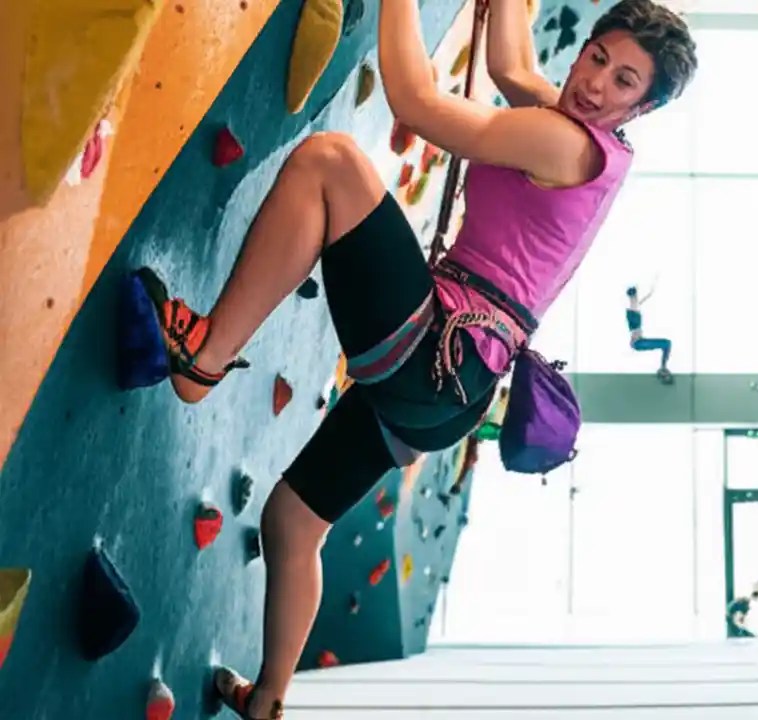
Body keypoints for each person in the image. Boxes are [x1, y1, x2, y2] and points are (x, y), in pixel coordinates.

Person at [123, 0, 696, 716]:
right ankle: (268, 700)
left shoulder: (565, 142)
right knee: (293, 524)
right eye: (597, 57)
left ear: (642, 108)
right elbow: (511, 66)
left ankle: (203, 359)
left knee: (329, 163)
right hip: (452, 392)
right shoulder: (591, 143)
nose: (596, 82)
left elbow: (416, 104)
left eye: (623, 82)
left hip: (436, 358)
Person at [625, 284, 673, 383]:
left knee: (667, 343)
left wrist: (652, 290)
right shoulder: (631, 310)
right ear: (631, 297)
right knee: (666, 344)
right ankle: (663, 369)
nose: (636, 298)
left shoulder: (635, 306)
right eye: (634, 297)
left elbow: (645, 298)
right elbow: (633, 326)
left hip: (641, 341)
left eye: (636, 296)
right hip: (638, 343)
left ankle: (663, 368)